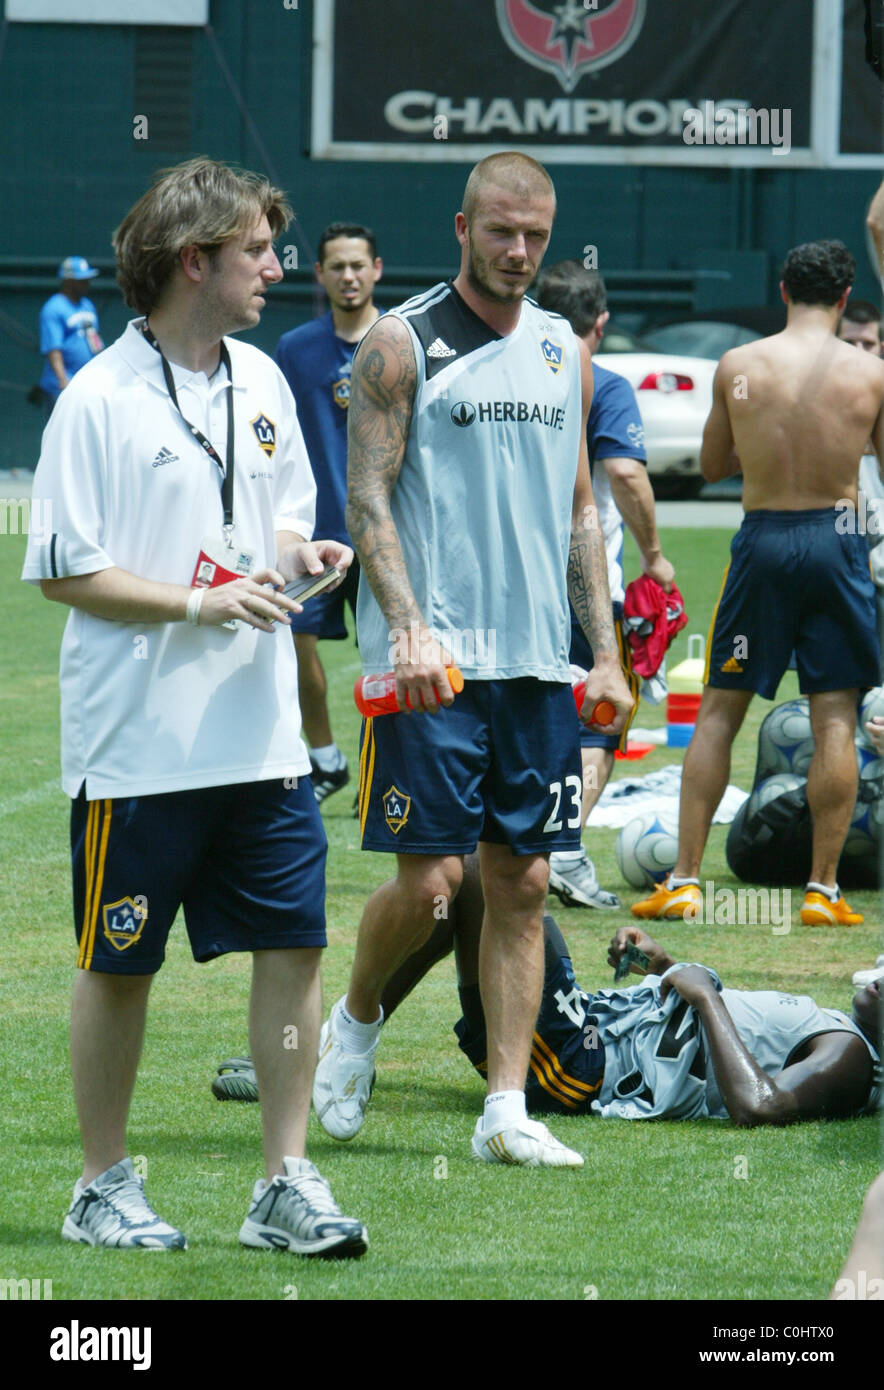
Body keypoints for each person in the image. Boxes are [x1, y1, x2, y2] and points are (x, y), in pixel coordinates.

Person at [21, 157, 366, 1258]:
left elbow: (273, 522)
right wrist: (196, 601)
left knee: (292, 949)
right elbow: (64, 570)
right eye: (257, 251)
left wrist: (303, 553)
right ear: (194, 261)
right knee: (121, 964)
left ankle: (283, 1177)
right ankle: (100, 1183)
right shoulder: (97, 398)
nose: (277, 267)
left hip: (259, 740)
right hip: (137, 747)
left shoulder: (261, 378)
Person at [312, 151, 634, 1169]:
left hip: (537, 666)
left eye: (535, 234)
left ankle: (505, 1105)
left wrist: (607, 656)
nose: (517, 251)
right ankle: (353, 1023)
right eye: (499, 231)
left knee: (524, 881)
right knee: (431, 886)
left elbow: (581, 510)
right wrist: (405, 623)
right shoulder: (400, 344)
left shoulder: (558, 349)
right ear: (461, 227)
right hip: (431, 665)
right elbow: (368, 495)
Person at [215, 854, 881, 1125]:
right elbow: (720, 1034)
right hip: (595, 1029)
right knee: (457, 887)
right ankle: (338, 1047)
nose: (874, 974)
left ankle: (335, 1048)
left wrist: (702, 991)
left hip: (585, 1070)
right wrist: (666, 966)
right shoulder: (826, 1024)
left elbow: (759, 1107)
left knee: (492, 880)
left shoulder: (851, 1060)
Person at [632, 240, 884, 927]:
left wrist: (764, 433)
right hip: (837, 539)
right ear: (844, 296)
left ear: (781, 292)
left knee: (719, 709)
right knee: (835, 713)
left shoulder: (740, 364)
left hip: (765, 537)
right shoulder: (870, 373)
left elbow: (712, 463)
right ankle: (822, 891)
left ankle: (684, 880)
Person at [534, 261, 675, 910]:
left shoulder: (512, 373)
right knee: (598, 721)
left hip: (507, 586)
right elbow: (625, 470)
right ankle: (563, 850)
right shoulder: (607, 382)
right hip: (584, 583)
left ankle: (515, 848)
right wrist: (654, 556)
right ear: (603, 323)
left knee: (523, 717)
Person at [275, 224, 383, 803]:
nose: (348, 276)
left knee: (387, 661)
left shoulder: (400, 338)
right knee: (293, 643)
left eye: (358, 265)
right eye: (336, 266)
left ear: (377, 270)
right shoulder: (295, 348)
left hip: (385, 529)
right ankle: (324, 759)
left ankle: (379, 772)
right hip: (313, 535)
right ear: (319, 274)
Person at [838, 301, 884, 664]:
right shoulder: (814, 398)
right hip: (840, 564)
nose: (859, 353)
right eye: (850, 342)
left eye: (867, 343)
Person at [38, 256, 104, 410]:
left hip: (87, 383)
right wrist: (63, 381)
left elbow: (95, 340)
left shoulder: (87, 305)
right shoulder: (53, 308)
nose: (87, 283)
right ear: (68, 281)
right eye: (81, 280)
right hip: (62, 386)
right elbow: (53, 349)